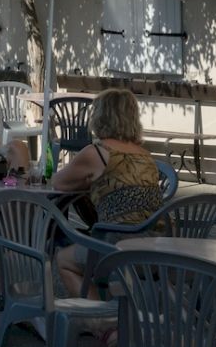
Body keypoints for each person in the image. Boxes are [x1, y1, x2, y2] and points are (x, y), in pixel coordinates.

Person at [52, 88, 165, 298]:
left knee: (64, 260)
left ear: (100, 116)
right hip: (158, 244)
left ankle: (101, 316)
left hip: (120, 245)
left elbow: (58, 183)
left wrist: (88, 183)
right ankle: (114, 307)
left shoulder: (97, 152)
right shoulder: (146, 155)